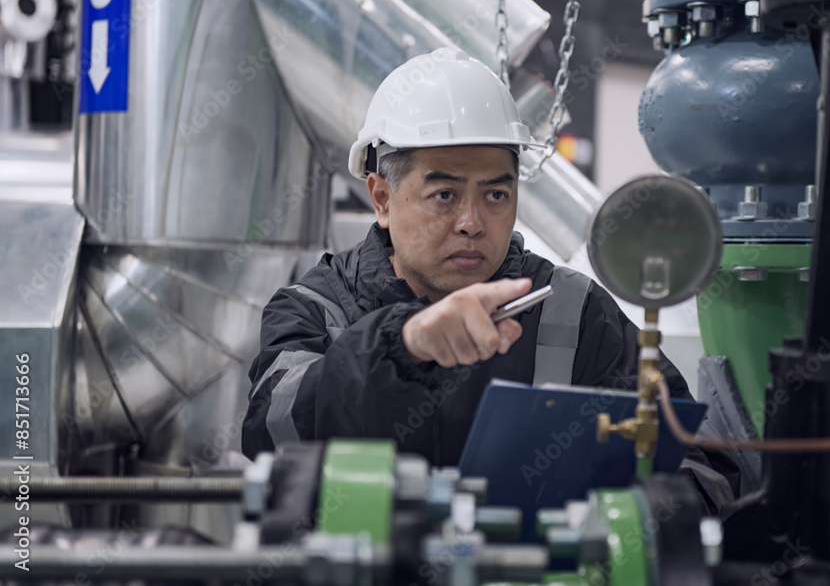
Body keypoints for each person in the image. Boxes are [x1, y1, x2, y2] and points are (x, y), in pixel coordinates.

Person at [241, 47, 738, 513]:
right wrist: (402, 344)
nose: (472, 222)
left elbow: (700, 463)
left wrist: (622, 525)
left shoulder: (571, 310)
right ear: (382, 199)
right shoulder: (318, 306)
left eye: (496, 196)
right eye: (444, 196)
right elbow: (272, 430)